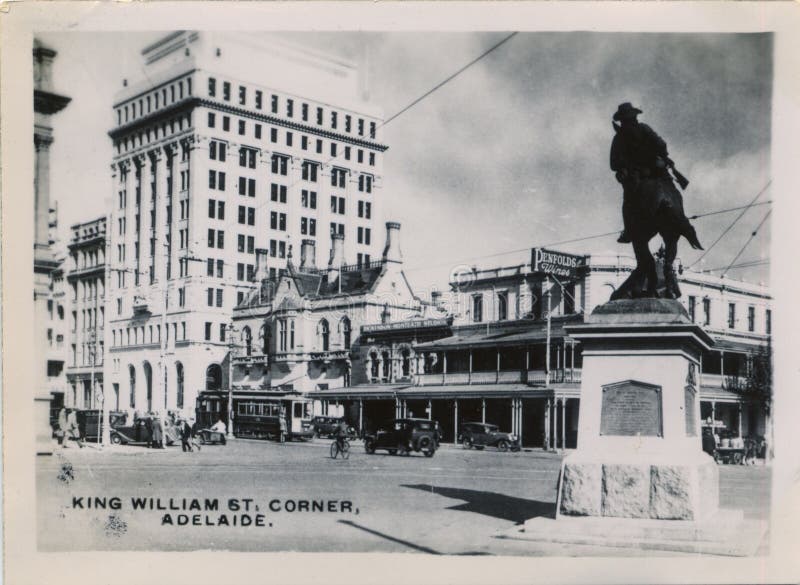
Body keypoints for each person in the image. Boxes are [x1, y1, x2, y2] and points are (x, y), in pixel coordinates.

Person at [609, 102, 672, 244]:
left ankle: (628, 231)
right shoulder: (644, 128)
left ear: (622, 120)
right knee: (668, 184)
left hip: (637, 176)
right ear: (634, 116)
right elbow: (662, 145)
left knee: (628, 202)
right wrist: (662, 156)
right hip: (656, 171)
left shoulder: (619, 137)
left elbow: (613, 164)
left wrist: (624, 168)